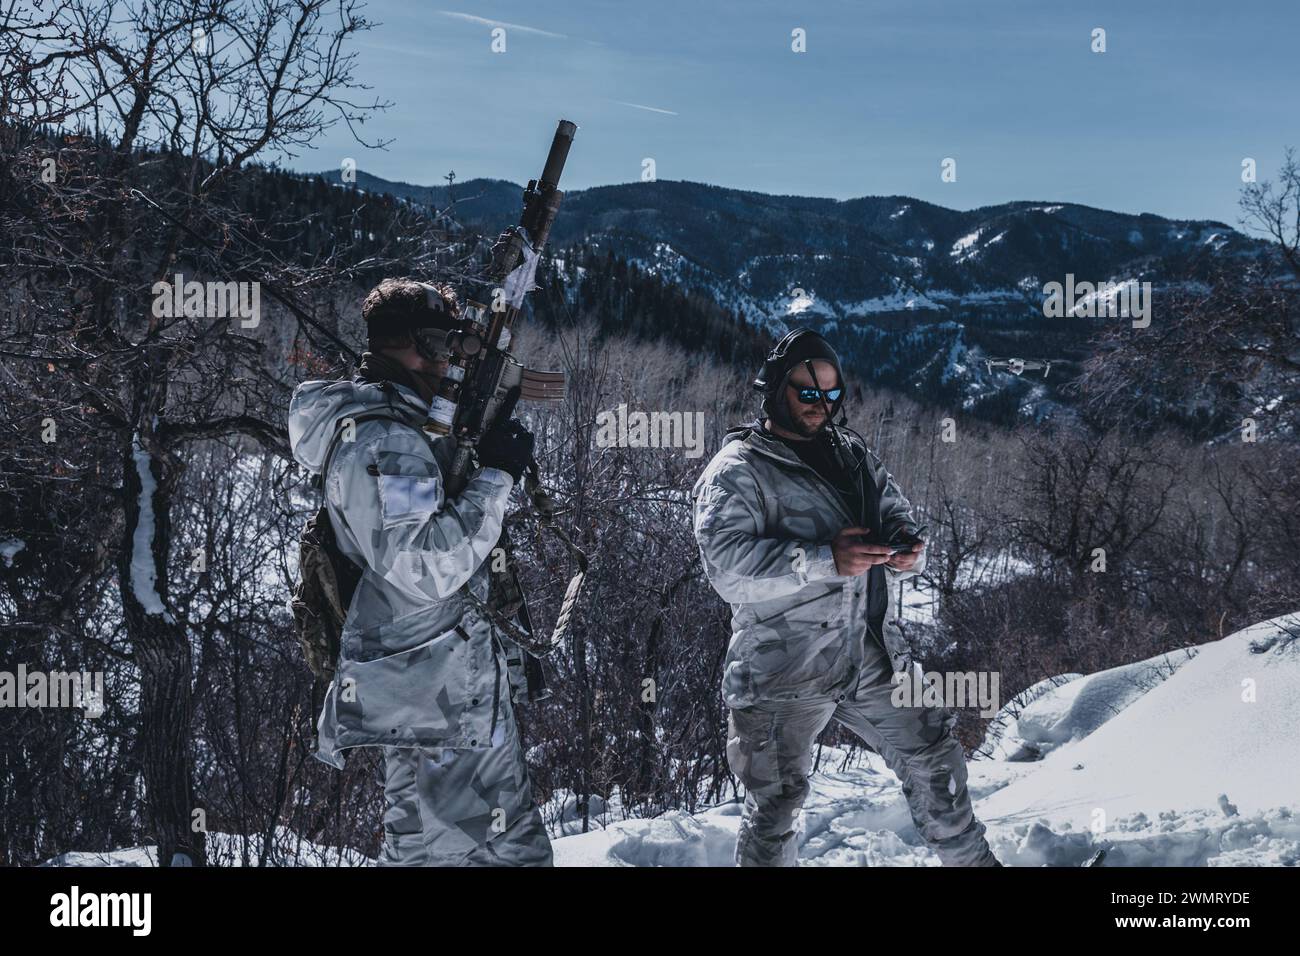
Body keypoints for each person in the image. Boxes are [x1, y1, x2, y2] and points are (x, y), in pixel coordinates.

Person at [690, 327, 1001, 867]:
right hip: (781, 666)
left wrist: (907, 551)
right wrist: (821, 559)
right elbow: (726, 570)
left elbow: (896, 514)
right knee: (776, 806)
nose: (821, 405)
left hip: (870, 652)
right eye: (807, 393)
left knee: (935, 759)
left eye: (832, 395)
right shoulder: (737, 471)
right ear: (773, 390)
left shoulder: (852, 454)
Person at [287, 277, 552, 866]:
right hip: (434, 698)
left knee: (474, 852)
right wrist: (496, 478)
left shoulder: (401, 430)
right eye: (443, 345)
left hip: (438, 690)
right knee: (476, 856)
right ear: (413, 345)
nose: (450, 359)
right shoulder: (387, 441)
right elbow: (424, 566)